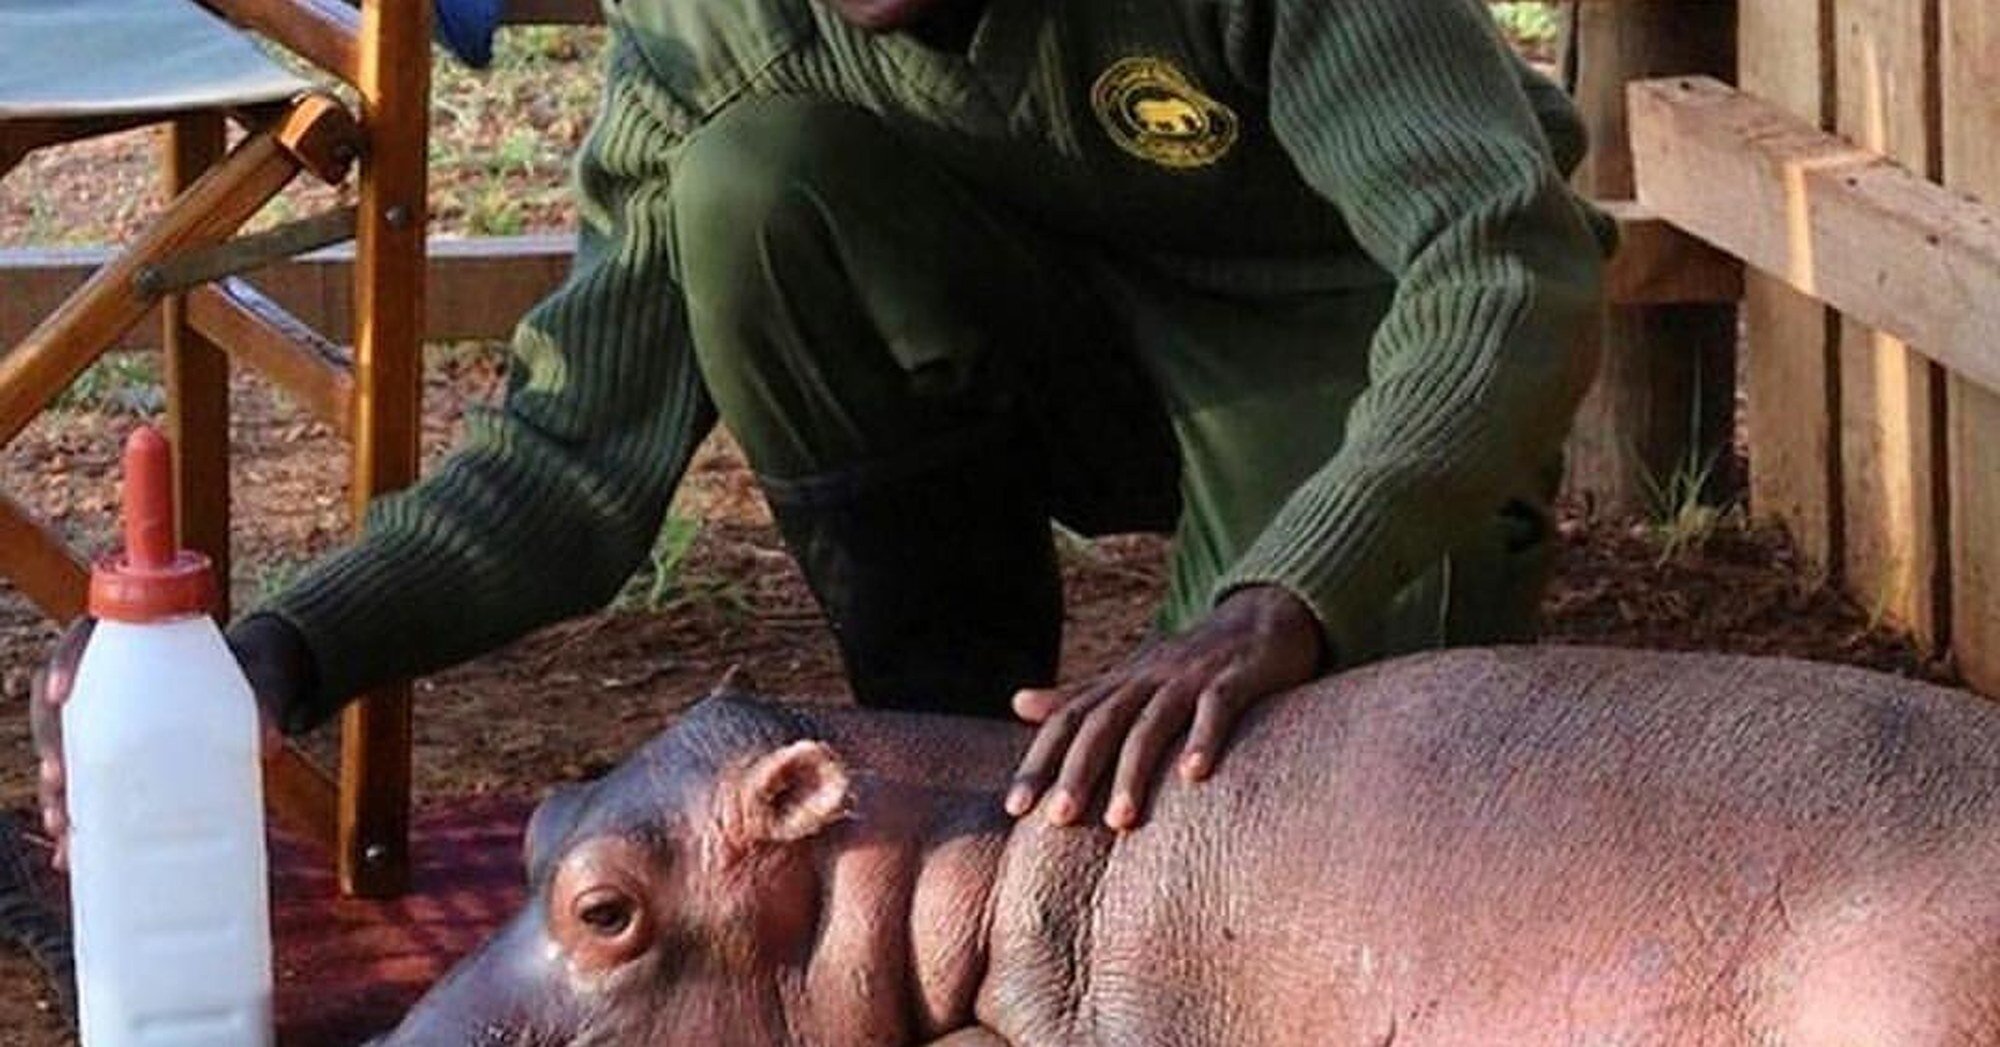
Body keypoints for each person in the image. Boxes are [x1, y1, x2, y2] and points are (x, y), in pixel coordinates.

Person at [36, 0, 1612, 854]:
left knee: (1281, 824)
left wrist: (1293, 594)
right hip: (1042, 335)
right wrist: (282, 656)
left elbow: (1501, 259)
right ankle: (957, 772)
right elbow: (577, 456)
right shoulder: (707, 29)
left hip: (1345, 336)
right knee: (750, 184)